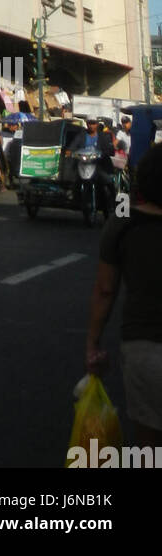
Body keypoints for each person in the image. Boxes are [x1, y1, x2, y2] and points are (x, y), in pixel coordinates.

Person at [86, 143, 162, 447]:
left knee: (148, 446)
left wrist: (92, 343)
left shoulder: (123, 224)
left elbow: (105, 290)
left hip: (143, 348)